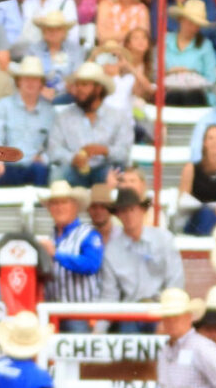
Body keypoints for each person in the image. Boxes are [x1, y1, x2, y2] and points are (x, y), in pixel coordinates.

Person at [98, 189, 184, 315]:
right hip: (130, 313)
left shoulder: (164, 240)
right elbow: (109, 295)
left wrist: (170, 312)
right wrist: (99, 332)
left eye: (132, 209)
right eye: (123, 211)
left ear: (142, 211)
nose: (128, 215)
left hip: (162, 310)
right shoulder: (112, 251)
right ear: (118, 215)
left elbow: (175, 281)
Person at [49, 63, 133, 186]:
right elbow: (53, 150)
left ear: (98, 88)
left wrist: (105, 150)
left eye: (84, 85)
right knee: (58, 175)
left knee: (117, 174)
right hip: (74, 170)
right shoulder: (63, 117)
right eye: (77, 85)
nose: (79, 90)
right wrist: (73, 158)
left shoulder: (118, 117)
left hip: (105, 169)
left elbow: (124, 153)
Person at [0, 57, 52, 187]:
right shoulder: (3, 106)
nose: (30, 83)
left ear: (41, 83)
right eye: (26, 78)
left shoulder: (49, 111)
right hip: (5, 163)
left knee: (41, 170)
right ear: (18, 81)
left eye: (35, 79)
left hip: (33, 165)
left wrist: (44, 158)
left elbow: (53, 144)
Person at [41, 181, 104, 312]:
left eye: (64, 202)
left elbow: (91, 265)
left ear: (75, 206)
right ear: (50, 209)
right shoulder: (49, 238)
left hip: (81, 312)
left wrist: (56, 254)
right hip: (52, 311)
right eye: (55, 203)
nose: (59, 207)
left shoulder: (88, 234)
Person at [163, 0, 216, 107]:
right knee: (174, 95)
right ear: (181, 20)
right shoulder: (165, 41)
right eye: (190, 22)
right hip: (169, 91)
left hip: (196, 94)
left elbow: (211, 78)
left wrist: (191, 73)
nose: (193, 28)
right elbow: (156, 73)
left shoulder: (205, 46)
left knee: (191, 95)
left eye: (196, 24)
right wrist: (170, 72)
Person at [28, 10, 84, 97]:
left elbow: (77, 75)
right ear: (43, 31)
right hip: (38, 95)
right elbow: (28, 75)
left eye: (58, 29)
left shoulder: (74, 50)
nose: (53, 32)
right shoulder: (34, 50)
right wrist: (41, 90)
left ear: (64, 32)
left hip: (67, 95)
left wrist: (56, 90)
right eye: (49, 28)